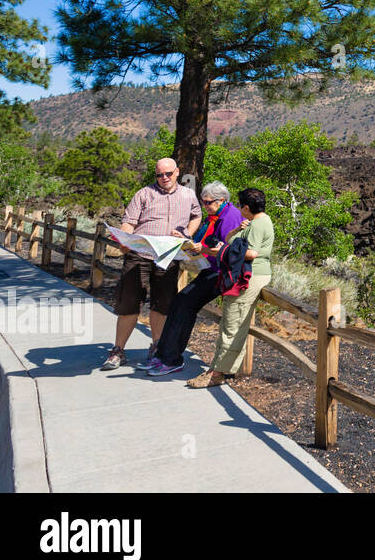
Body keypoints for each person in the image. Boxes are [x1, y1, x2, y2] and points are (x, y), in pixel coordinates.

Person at [101, 157, 201, 371]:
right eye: (159, 174)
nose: (164, 178)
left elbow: (196, 215)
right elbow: (128, 222)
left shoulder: (188, 194)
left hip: (169, 256)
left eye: (168, 173)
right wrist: (125, 240)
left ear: (177, 172)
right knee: (129, 304)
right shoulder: (144, 194)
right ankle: (118, 350)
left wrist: (188, 233)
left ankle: (156, 347)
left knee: (162, 304)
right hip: (140, 255)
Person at [144, 182, 243, 376]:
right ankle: (163, 355)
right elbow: (202, 239)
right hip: (209, 269)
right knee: (180, 303)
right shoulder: (216, 215)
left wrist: (202, 249)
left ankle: (171, 359)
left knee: (183, 303)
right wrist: (183, 238)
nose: (204, 206)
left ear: (222, 200)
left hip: (221, 272)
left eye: (208, 203)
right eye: (203, 202)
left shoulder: (230, 217)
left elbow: (226, 250)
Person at [188, 187, 273, 388]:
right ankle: (220, 369)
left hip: (251, 276)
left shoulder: (260, 224)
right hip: (245, 274)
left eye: (239, 206)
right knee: (232, 322)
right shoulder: (254, 222)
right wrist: (238, 230)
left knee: (232, 324)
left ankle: (216, 373)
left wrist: (224, 251)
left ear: (245, 207)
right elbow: (229, 240)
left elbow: (252, 253)